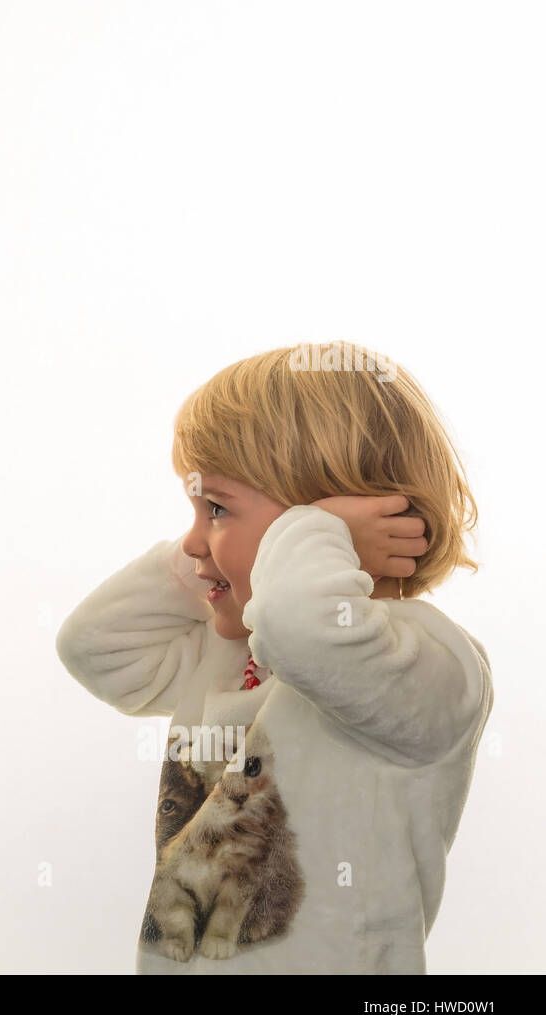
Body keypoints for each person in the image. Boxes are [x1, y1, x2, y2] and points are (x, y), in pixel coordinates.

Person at [55, 342, 492, 973]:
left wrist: (321, 535)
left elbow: (301, 628)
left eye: (218, 508)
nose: (192, 538)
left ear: (333, 521)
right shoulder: (234, 653)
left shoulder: (426, 661)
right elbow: (92, 647)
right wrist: (208, 556)